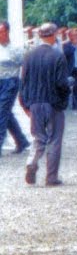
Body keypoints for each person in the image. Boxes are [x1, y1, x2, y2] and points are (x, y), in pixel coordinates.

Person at [19, 22, 71, 186]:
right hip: (53, 103)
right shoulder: (58, 56)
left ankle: (31, 162)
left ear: (39, 35)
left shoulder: (29, 55)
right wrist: (68, 88)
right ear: (54, 35)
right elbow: (61, 83)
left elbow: (24, 82)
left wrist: (25, 103)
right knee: (55, 139)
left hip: (34, 102)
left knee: (38, 137)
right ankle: (51, 177)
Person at [0, 21, 31, 156]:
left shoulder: (16, 49)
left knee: (1, 113)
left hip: (10, 82)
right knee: (6, 114)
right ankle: (21, 141)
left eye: (2, 31)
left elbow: (25, 65)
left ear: (7, 32)